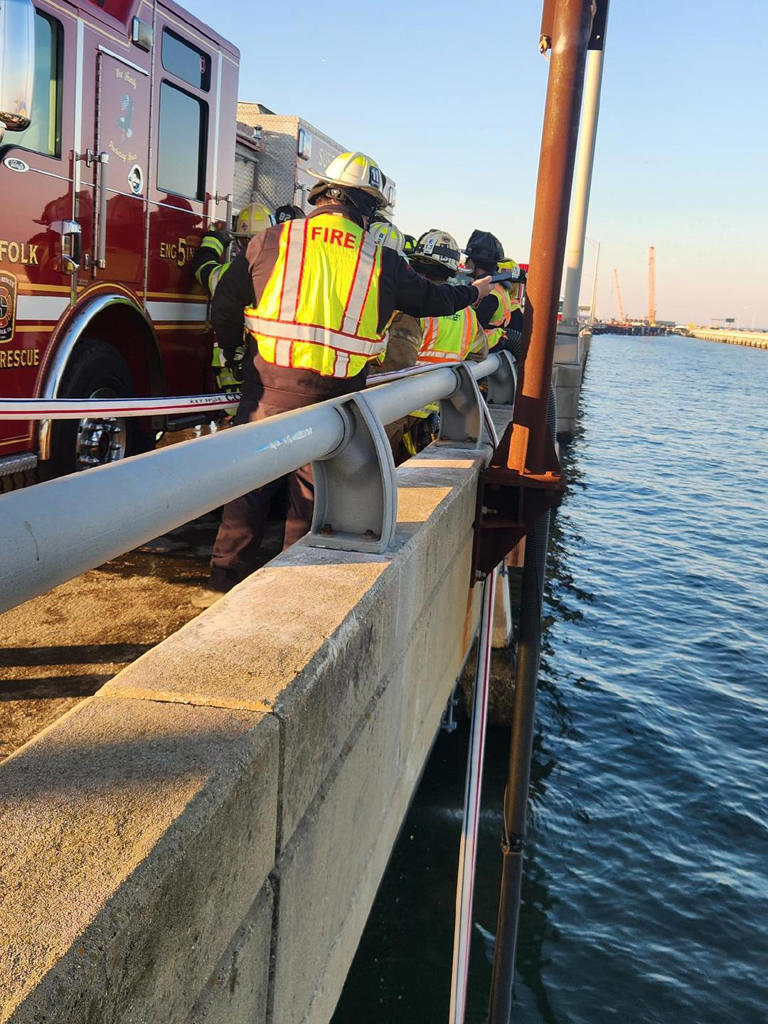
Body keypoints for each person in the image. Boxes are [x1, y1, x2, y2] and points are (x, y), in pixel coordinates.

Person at [194, 151, 493, 604]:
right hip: (333, 403)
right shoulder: (381, 260)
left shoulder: (273, 240)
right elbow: (434, 300)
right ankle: (286, 592)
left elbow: (226, 303)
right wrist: (473, 291)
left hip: (265, 391)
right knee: (311, 500)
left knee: (248, 491)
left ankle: (222, 584)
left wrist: (239, 357)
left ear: (322, 194)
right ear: (367, 207)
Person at [464, 229, 511, 350]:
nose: (465, 263)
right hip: (490, 345)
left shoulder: (488, 292)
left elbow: (474, 325)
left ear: (474, 262)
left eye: (468, 259)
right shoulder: (498, 286)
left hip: (480, 348)